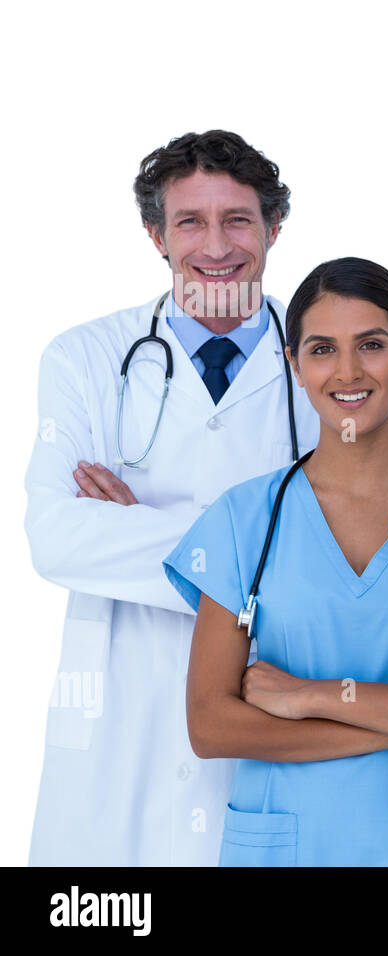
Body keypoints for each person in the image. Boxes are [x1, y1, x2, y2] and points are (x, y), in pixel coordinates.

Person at [24, 130, 318, 866]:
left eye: (238, 220)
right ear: (156, 234)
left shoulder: (328, 359)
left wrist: (137, 530)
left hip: (269, 715)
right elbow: (55, 537)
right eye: (190, 222)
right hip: (122, 725)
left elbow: (358, 548)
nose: (216, 246)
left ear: (273, 228)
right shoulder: (85, 359)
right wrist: (267, 552)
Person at [163, 257, 388, 866]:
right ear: (294, 364)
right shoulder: (245, 519)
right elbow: (211, 726)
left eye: (372, 345)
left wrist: (313, 694)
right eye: (323, 348)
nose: (348, 371)